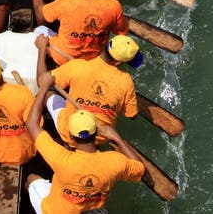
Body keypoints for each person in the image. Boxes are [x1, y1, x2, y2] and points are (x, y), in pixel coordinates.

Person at [25, 71, 145, 214]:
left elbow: (32, 125)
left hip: (55, 211)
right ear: (96, 133)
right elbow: (140, 169)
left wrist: (44, 87)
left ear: (70, 134)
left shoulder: (61, 159)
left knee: (31, 179)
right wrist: (116, 138)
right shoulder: (114, 162)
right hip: (90, 207)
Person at [34, 32, 143, 148]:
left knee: (48, 92)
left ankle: (40, 120)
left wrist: (41, 49)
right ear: (118, 63)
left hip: (69, 132)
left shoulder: (77, 66)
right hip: (100, 138)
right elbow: (131, 115)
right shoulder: (126, 81)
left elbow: (41, 81)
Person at [27, 0, 129, 66]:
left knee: (38, 29)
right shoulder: (113, 5)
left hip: (63, 57)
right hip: (95, 59)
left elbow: (41, 13)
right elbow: (121, 32)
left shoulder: (66, 1)